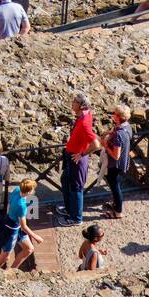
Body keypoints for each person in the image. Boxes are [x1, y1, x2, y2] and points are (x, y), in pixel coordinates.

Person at [58, 92, 98, 227]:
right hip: (71, 156)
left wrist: (82, 154)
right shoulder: (84, 114)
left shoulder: (84, 123)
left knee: (76, 188)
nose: (72, 102)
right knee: (65, 181)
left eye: (75, 101)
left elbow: (96, 145)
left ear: (81, 106)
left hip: (77, 159)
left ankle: (76, 218)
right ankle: (69, 209)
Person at [0, 178, 42, 269]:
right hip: (11, 230)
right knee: (4, 257)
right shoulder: (21, 206)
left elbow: (9, 206)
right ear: (29, 191)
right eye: (33, 189)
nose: (34, 190)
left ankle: (13, 270)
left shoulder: (17, 190)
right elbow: (24, 226)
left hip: (12, 222)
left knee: (29, 249)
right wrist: (36, 237)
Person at [101, 103, 132, 220]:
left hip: (116, 163)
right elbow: (118, 131)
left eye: (114, 113)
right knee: (113, 182)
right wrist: (109, 133)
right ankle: (115, 204)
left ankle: (118, 211)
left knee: (114, 185)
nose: (113, 115)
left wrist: (105, 145)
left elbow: (116, 155)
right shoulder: (127, 126)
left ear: (118, 116)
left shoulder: (119, 135)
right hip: (124, 160)